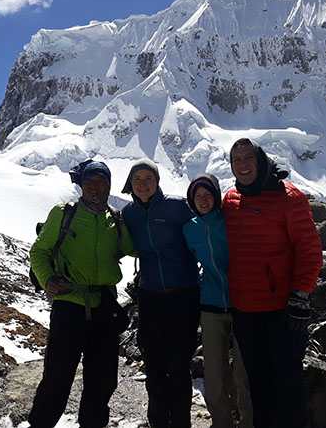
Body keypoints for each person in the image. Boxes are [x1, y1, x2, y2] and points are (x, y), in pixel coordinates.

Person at [222, 138, 322, 428]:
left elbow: (310, 249)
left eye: (247, 158)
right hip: (245, 311)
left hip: (282, 311)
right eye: (236, 160)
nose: (242, 165)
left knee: (287, 388)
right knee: (259, 387)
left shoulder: (288, 198)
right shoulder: (231, 200)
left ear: (260, 160)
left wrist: (301, 295)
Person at [27, 159, 135, 428]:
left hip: (104, 306)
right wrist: (48, 278)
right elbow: (39, 252)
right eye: (89, 182)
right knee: (57, 376)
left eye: (100, 182)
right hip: (69, 304)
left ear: (109, 186)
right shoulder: (64, 213)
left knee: (103, 380)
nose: (94, 188)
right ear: (81, 185)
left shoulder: (116, 220)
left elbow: (136, 248)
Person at [121, 159, 201, 428]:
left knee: (178, 366)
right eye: (137, 179)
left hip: (184, 294)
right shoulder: (129, 213)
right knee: (154, 365)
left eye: (148, 178)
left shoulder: (177, 206)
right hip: (151, 295)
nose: (143, 184)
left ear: (157, 181)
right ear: (130, 184)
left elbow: (203, 232)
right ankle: (157, 421)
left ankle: (180, 422)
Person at [182, 173, 254, 428]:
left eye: (207, 194)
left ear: (216, 195)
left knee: (245, 374)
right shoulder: (189, 228)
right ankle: (221, 422)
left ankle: (249, 423)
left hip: (242, 304)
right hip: (211, 306)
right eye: (197, 196)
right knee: (214, 374)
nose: (203, 200)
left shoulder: (231, 220)